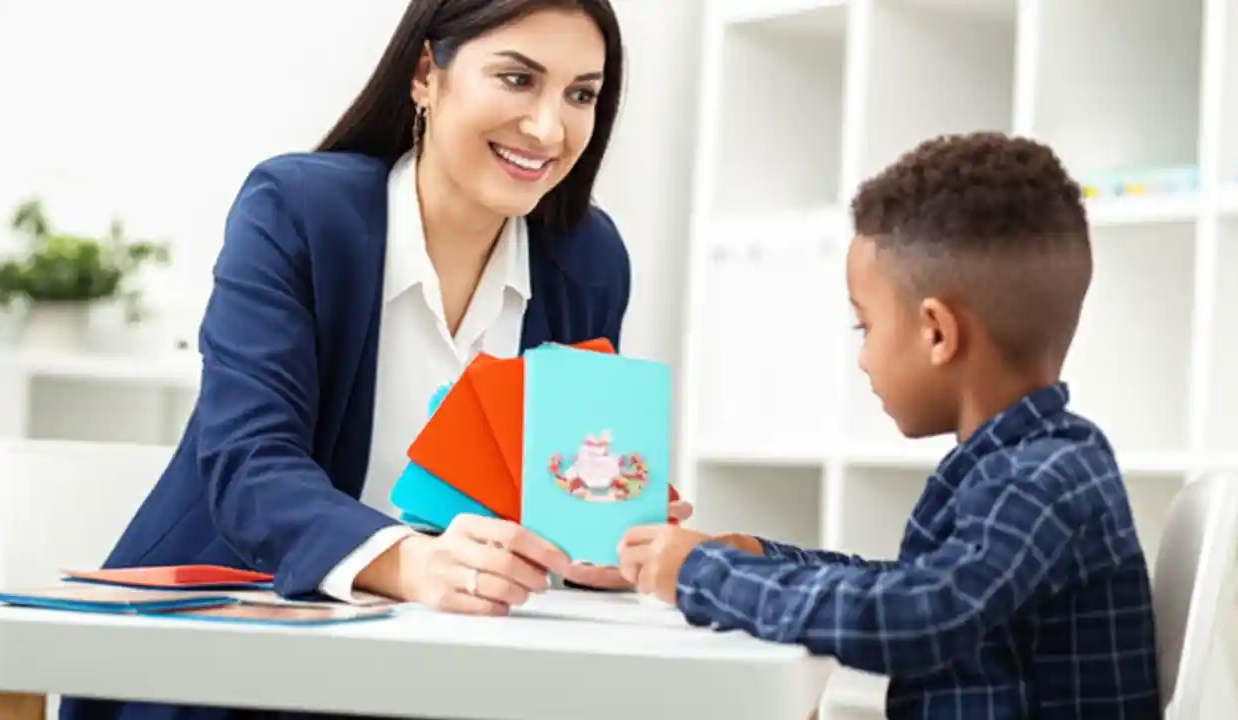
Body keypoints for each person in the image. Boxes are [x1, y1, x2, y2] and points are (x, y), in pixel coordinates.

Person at [61, 2, 690, 719]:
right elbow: (249, 465)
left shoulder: (587, 257)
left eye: (581, 93)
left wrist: (590, 544)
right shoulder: (296, 210)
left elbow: (546, 486)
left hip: (442, 666)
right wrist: (411, 563)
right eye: (517, 79)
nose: (550, 128)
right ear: (427, 74)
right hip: (227, 652)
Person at [617, 133, 1162, 718]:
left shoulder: (1038, 478)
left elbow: (915, 615)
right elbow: (912, 587)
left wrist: (704, 575)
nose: (864, 357)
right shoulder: (1029, 461)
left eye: (865, 327)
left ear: (936, 333)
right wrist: (761, 558)